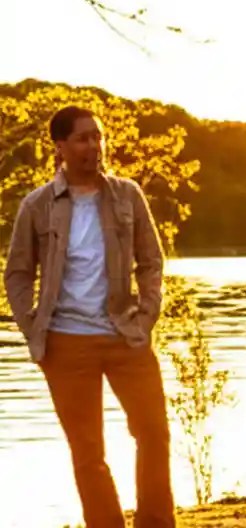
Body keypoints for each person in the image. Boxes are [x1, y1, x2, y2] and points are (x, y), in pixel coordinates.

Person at [3, 105, 175, 528]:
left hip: (126, 335)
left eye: (98, 136)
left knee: (154, 433)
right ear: (60, 147)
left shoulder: (126, 194)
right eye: (83, 138)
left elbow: (151, 260)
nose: (93, 146)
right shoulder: (37, 205)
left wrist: (148, 314)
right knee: (87, 452)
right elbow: (18, 273)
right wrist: (34, 328)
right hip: (65, 342)